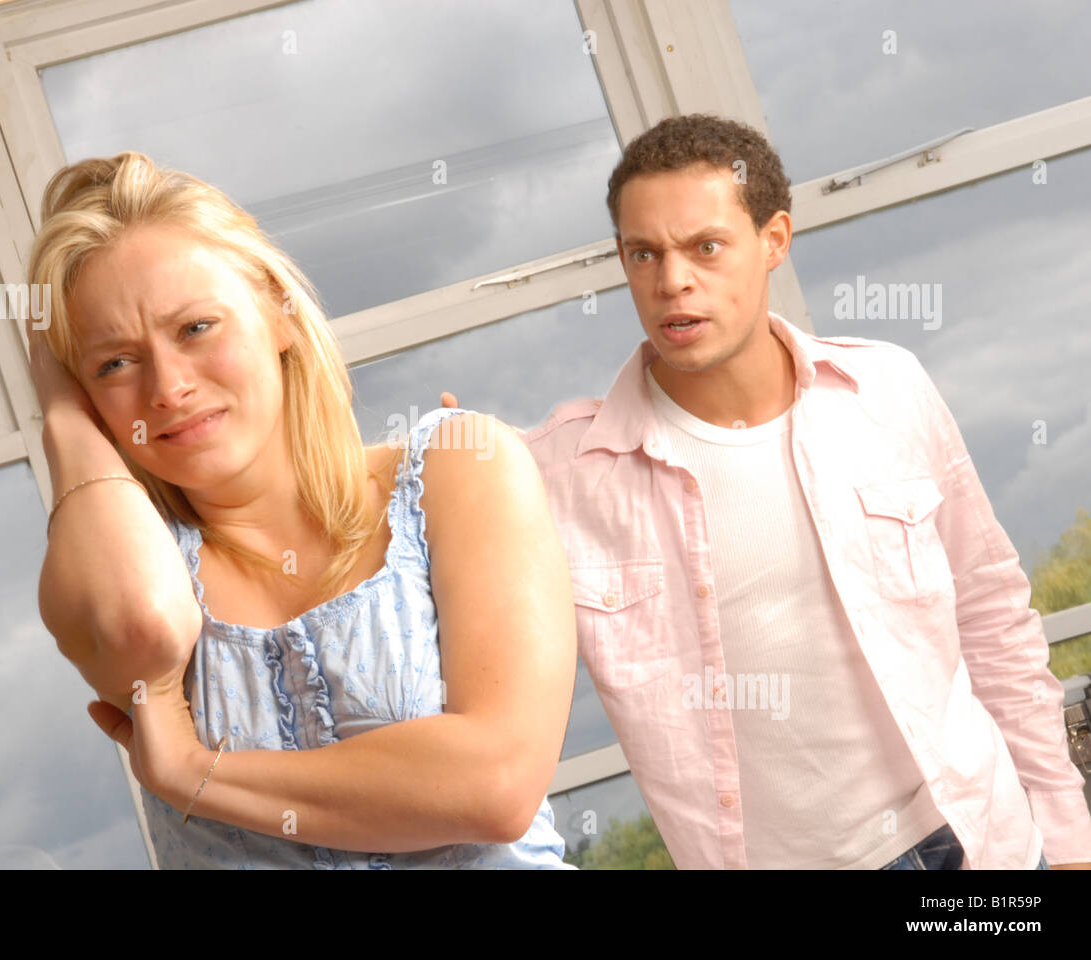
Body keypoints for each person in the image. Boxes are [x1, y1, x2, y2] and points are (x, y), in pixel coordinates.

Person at [453, 113, 1091, 869]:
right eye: (644, 253)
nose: (672, 281)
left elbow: (992, 619)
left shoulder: (885, 390)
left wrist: (1068, 837)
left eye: (706, 247)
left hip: (986, 844)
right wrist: (449, 463)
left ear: (775, 240)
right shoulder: (559, 477)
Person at [27, 152, 577, 868]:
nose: (167, 388)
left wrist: (196, 774)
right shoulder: (133, 570)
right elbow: (141, 623)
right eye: (115, 364)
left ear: (279, 310)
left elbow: (495, 786)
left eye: (195, 328)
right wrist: (59, 411)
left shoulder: (459, 466)